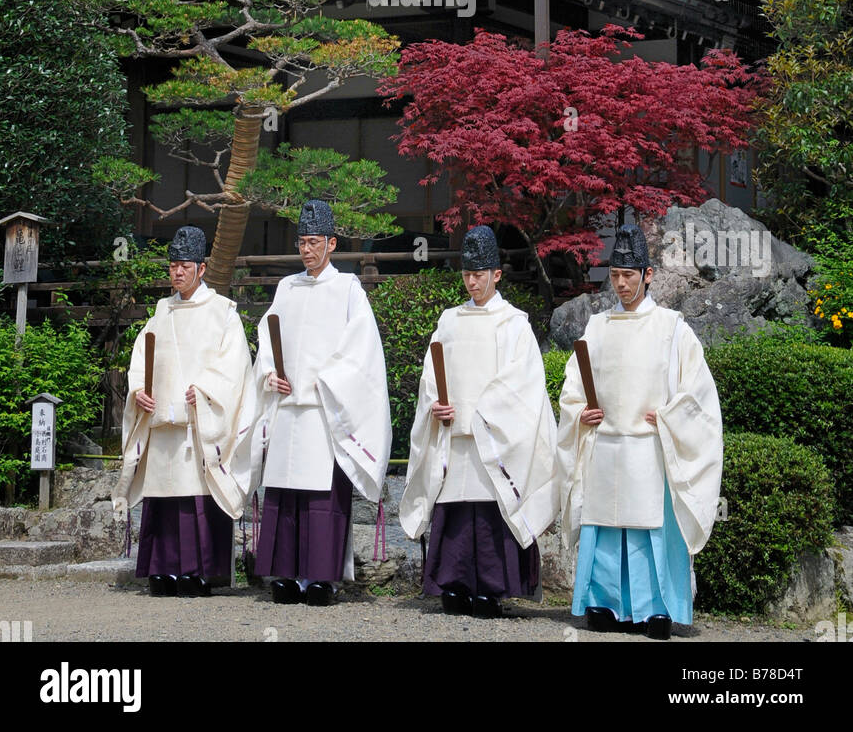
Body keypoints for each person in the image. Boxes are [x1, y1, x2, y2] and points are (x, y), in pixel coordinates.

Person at [557, 224, 723, 639]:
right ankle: (603, 604)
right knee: (605, 526)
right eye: (615, 275)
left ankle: (657, 609)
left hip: (650, 447)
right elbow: (572, 389)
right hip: (606, 443)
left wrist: (669, 417)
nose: (622, 283)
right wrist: (581, 414)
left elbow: (698, 394)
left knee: (651, 528)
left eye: (629, 275)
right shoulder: (596, 327)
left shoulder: (673, 329)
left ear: (648, 275)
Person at [400, 225, 559, 618]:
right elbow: (430, 376)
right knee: (455, 508)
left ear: (497, 275)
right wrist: (436, 405)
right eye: (467, 273)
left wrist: (483, 415)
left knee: (491, 510)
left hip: (493, 439)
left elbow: (522, 385)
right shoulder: (449, 321)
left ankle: (494, 588)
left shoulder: (514, 324)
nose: (472, 281)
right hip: (454, 436)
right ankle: (452, 583)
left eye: (480, 273)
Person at [246, 199, 391, 607]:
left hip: (323, 411)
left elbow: (360, 354)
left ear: (332, 243)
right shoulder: (286, 288)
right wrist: (269, 375)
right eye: (301, 242)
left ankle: (321, 577)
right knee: (285, 496)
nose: (306, 250)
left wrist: (321, 383)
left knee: (321, 500)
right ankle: (286, 574)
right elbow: (267, 341)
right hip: (287, 409)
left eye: (314, 242)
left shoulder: (348, 289)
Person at [112, 226, 254, 597]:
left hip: (197, 421)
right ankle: (161, 569)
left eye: (184, 266)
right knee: (163, 494)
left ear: (201, 269)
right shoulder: (161, 311)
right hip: (162, 420)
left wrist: (206, 392)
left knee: (195, 495)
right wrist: (139, 391)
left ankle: (199, 572)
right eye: (173, 266)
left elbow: (234, 366)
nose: (177, 273)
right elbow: (141, 357)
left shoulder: (223, 313)